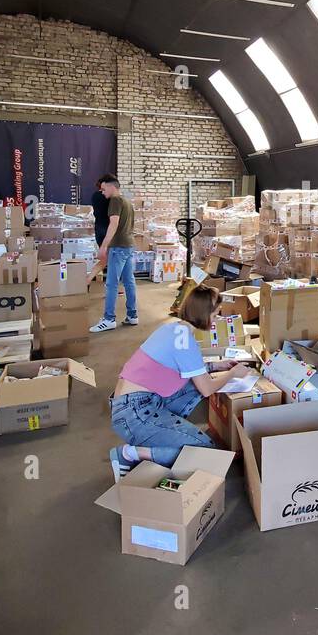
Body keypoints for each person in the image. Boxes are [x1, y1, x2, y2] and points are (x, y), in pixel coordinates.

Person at [108, 286, 246, 476]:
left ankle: (161, 437)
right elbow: (206, 389)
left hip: (131, 405)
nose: (216, 319)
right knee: (206, 451)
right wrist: (233, 373)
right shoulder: (186, 342)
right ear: (204, 314)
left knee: (193, 385)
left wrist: (216, 366)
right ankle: (131, 453)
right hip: (136, 415)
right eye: (215, 314)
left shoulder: (174, 329)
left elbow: (187, 370)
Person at [90, 174, 138, 332]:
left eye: (104, 189)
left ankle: (109, 319)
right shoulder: (127, 202)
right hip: (129, 245)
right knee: (129, 282)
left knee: (111, 283)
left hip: (118, 247)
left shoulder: (115, 201)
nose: (102, 193)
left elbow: (114, 223)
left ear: (112, 187)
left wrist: (104, 246)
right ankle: (132, 316)